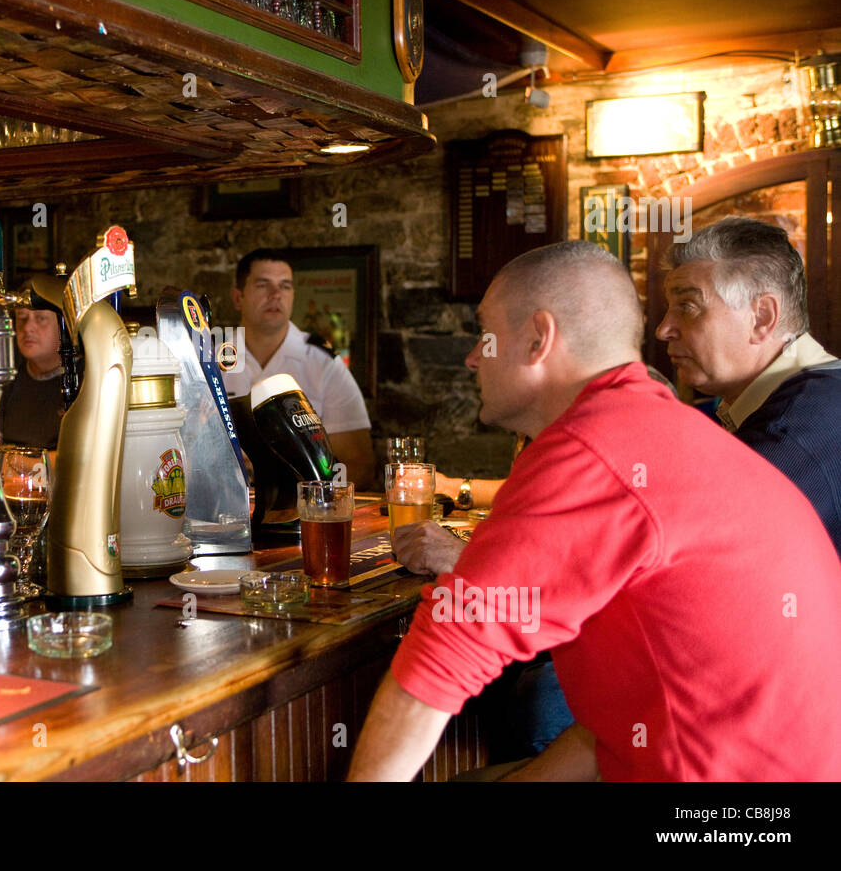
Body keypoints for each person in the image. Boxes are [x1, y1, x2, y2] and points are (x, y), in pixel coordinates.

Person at [349, 241, 841, 781]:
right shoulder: (660, 427)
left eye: (484, 334)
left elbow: (441, 663)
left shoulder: (591, 446)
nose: (471, 357)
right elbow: (625, 715)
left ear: (539, 338)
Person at [657, 217, 841, 551]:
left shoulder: (786, 438)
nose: (664, 329)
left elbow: (688, 560)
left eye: (687, 307)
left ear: (761, 318)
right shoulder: (824, 393)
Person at [224, 248, 375, 488]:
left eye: (285, 286)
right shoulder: (210, 359)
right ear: (237, 298)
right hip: (225, 510)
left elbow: (359, 463)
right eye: (263, 285)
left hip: (304, 514)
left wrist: (309, 501)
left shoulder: (323, 362)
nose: (276, 295)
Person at [0, 304, 67, 450]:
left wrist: (13, 461)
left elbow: (79, 461)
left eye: (41, 318)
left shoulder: (85, 380)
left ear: (64, 326)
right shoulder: (6, 381)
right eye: (22, 318)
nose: (28, 327)